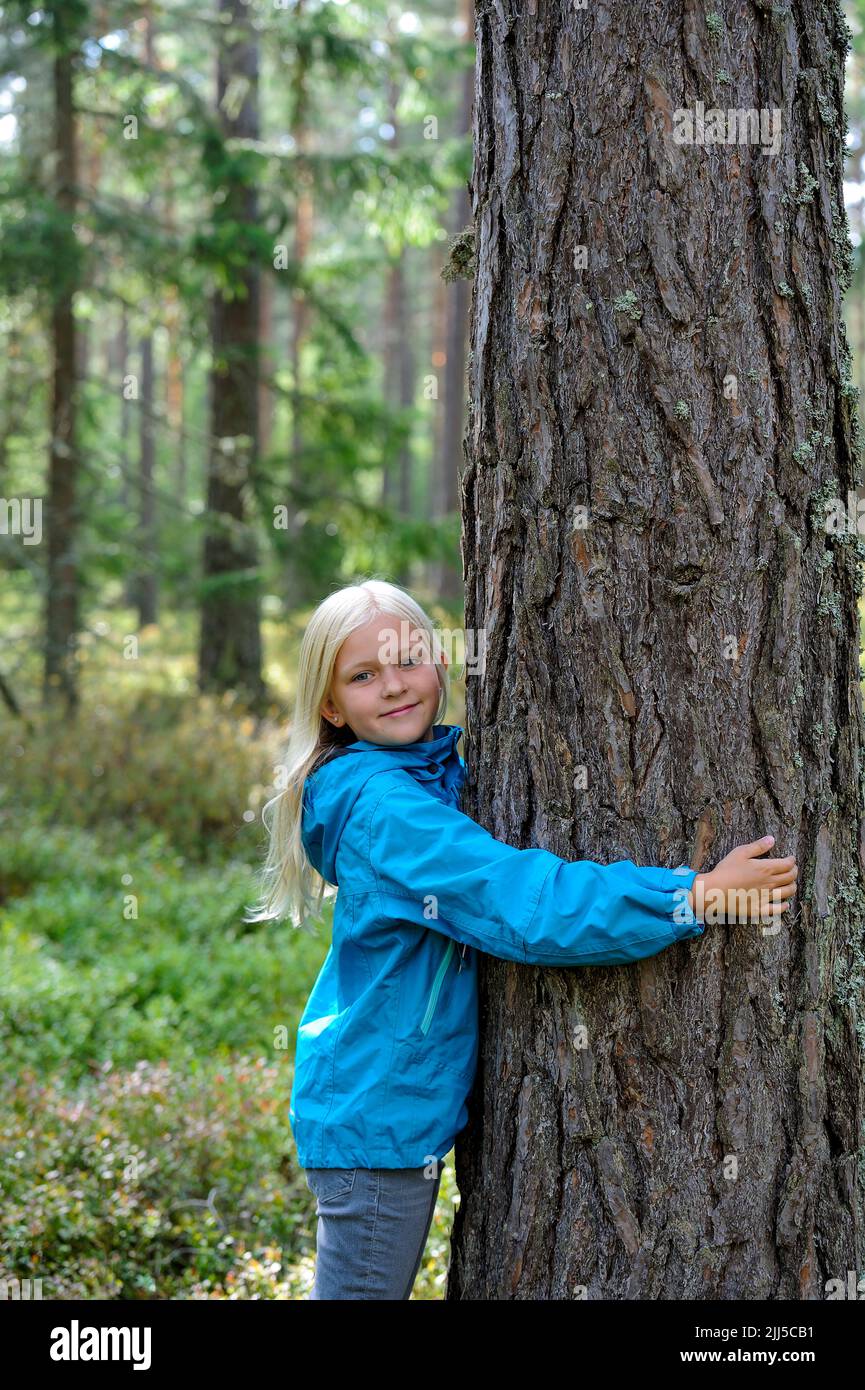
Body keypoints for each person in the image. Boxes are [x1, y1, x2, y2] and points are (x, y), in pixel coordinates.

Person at [244, 578, 798, 1300]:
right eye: (362, 675)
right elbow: (523, 905)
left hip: (382, 1115)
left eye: (407, 658)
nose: (393, 686)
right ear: (329, 705)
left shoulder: (416, 778)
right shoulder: (386, 809)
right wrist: (690, 895)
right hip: (374, 1126)